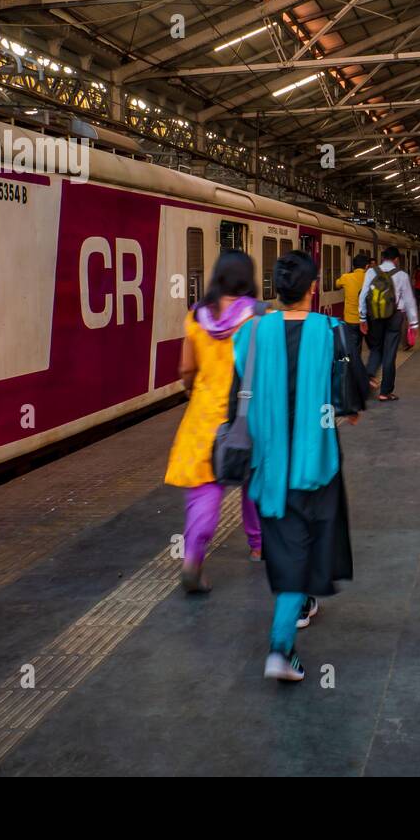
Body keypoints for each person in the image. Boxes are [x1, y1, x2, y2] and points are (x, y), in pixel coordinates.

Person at [236, 250, 367, 682]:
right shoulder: (333, 332)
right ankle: (280, 647)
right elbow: (351, 409)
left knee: (291, 550)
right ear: (314, 289)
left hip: (268, 469)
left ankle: (299, 610)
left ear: (277, 291)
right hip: (317, 468)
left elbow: (236, 398)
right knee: (304, 556)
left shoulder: (251, 334)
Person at [165, 250, 265, 593]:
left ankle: (193, 558)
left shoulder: (196, 317)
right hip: (247, 415)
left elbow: (186, 370)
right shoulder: (257, 317)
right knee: (254, 482)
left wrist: (197, 390)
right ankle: (257, 544)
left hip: (204, 418)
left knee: (204, 493)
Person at [358, 245, 419, 402]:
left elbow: (363, 294)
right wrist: (414, 324)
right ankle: (385, 392)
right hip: (394, 316)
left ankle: (370, 375)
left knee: (376, 348)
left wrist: (362, 318)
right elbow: (409, 301)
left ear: (382, 258)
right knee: (390, 354)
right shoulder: (402, 275)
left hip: (375, 316)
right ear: (396, 259)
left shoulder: (371, 272)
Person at [336, 253, 372, 359]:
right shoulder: (370, 278)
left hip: (350, 319)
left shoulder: (346, 277)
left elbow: (337, 284)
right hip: (366, 319)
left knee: (353, 347)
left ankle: (354, 369)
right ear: (366, 266)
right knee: (373, 348)